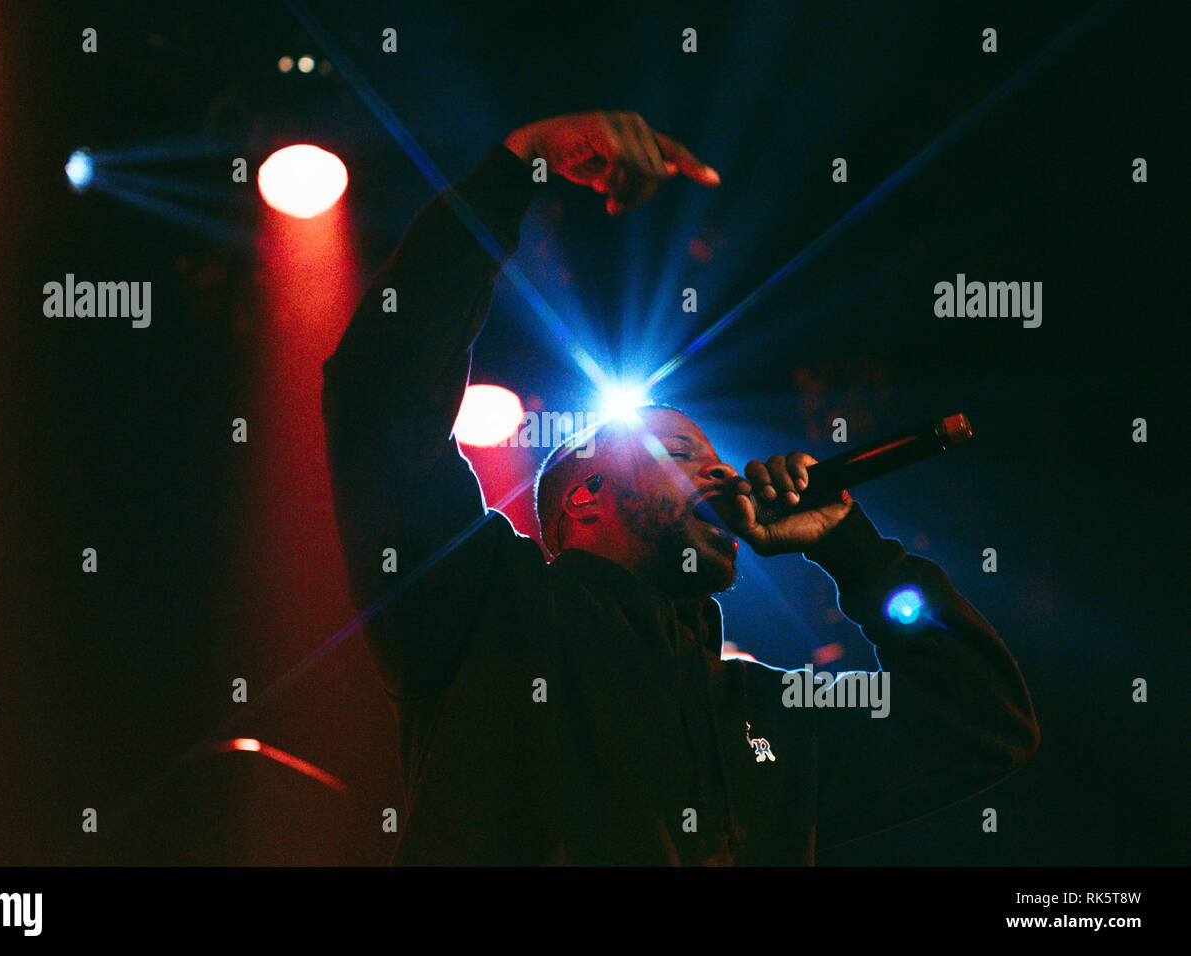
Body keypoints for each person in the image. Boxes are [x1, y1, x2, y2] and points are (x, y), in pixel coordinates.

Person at [321, 110, 1039, 865]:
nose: (722, 472)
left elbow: (982, 728)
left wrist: (855, 553)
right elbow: (382, 392)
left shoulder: (765, 716)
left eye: (714, 457)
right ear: (585, 496)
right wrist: (518, 166)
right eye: (677, 451)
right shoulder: (484, 607)